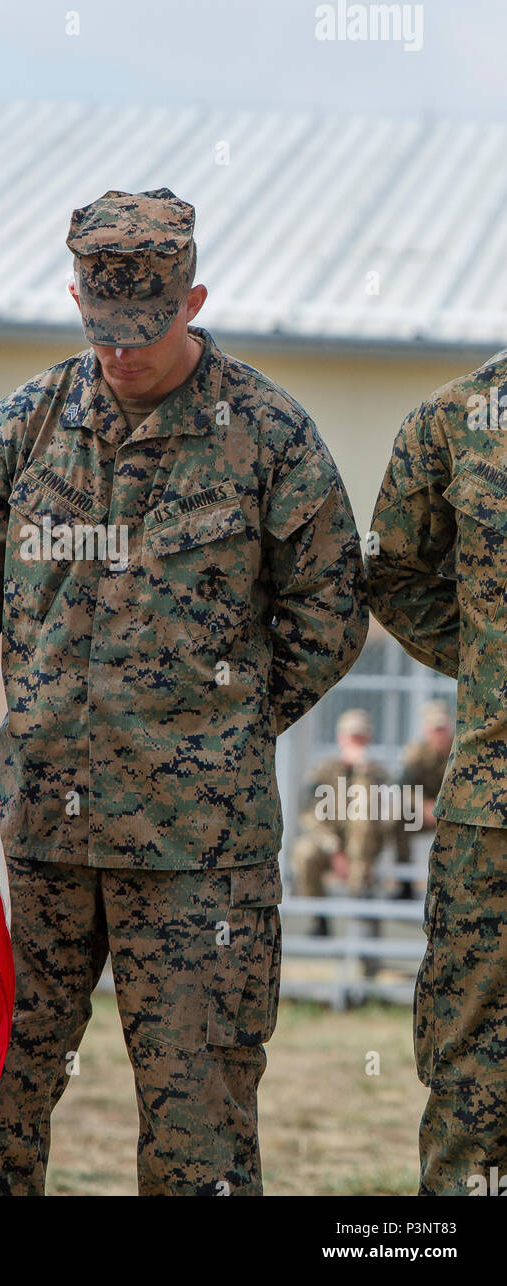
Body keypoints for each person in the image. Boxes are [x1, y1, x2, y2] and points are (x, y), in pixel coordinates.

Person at [0, 186, 368, 1195]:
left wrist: (218, 727)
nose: (123, 352)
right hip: (34, 839)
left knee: (199, 1138)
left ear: (193, 297)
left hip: (194, 857)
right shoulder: (23, 430)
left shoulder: (267, 436)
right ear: (75, 297)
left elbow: (328, 613)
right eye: (103, 328)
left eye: (146, 329)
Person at [366, 349, 507, 1196]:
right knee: (475, 1075)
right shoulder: (455, 420)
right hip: (494, 815)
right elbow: (391, 571)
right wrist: (490, 667)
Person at [292, 708, 392, 939]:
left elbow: (384, 816)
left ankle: (359, 908)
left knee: (363, 821)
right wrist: (333, 847)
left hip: (365, 852)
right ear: (340, 738)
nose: (354, 743)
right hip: (331, 845)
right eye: (350, 736)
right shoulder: (323, 771)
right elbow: (308, 814)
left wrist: (363, 773)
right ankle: (319, 919)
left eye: (360, 737)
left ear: (368, 739)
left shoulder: (379, 774)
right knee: (304, 853)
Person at [393, 699, 455, 900]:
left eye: (442, 728)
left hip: (452, 812)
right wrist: (421, 806)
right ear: (426, 730)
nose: (439, 734)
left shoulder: (460, 751)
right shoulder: (416, 754)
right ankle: (405, 885)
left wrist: (440, 808)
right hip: (423, 813)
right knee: (397, 819)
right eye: (434, 729)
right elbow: (402, 788)